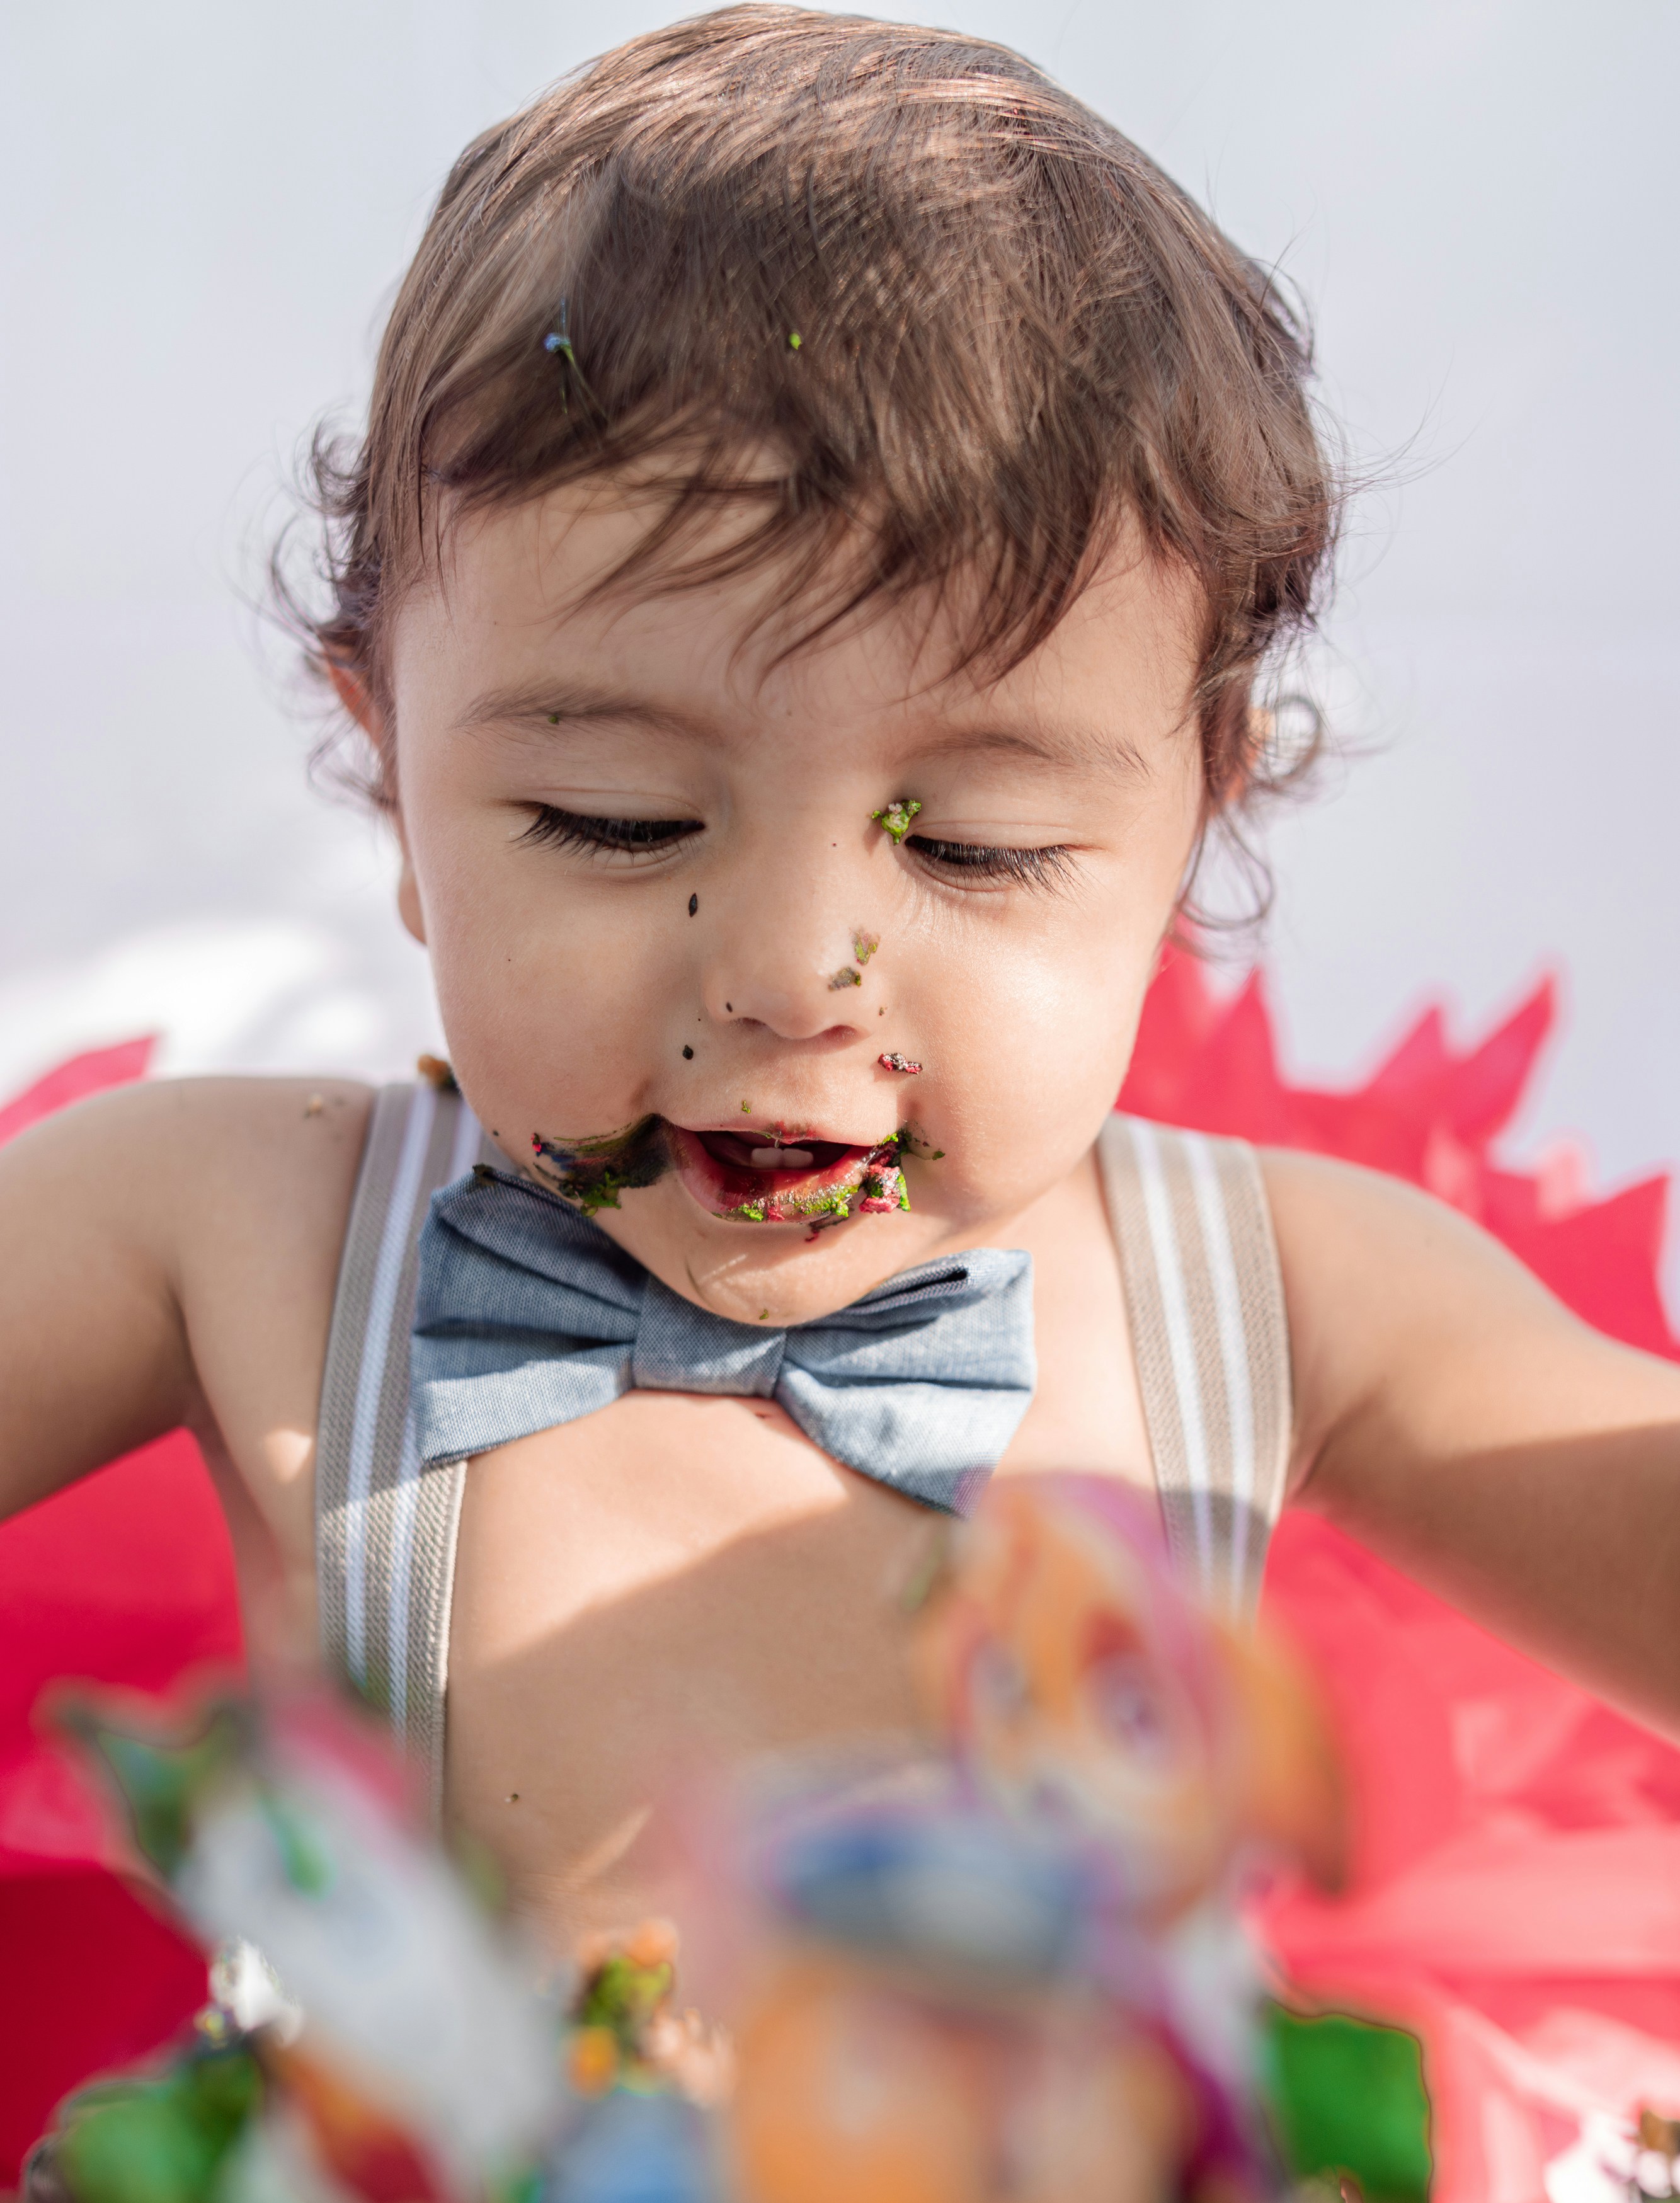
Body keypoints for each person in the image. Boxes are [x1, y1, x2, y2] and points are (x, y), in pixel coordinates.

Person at [1, 7, 1675, 1956]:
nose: (797, 973)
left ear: (1197, 818)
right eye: (614, 820)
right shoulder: (236, 1224)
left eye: (972, 844)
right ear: (388, 766)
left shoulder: (1286, 1297)